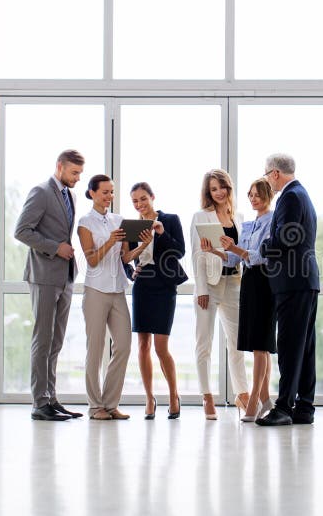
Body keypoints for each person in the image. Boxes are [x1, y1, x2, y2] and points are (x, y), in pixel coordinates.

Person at [14, 149, 85, 421]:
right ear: (60, 167)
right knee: (42, 341)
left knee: (56, 341)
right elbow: (22, 231)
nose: (78, 178)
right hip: (43, 275)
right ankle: (39, 403)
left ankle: (51, 398)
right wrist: (56, 248)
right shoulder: (41, 192)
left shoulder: (71, 196)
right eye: (74, 172)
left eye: (80, 173)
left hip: (65, 277)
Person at [77, 174, 150, 420]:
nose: (109, 196)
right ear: (92, 193)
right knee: (95, 350)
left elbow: (126, 258)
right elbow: (92, 260)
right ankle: (95, 405)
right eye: (105, 192)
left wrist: (142, 246)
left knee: (123, 345)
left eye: (112, 192)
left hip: (118, 290)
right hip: (95, 290)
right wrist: (109, 241)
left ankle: (110, 403)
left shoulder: (119, 220)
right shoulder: (85, 223)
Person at [255, 154, 320, 427]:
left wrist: (263, 247)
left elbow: (285, 238)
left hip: (293, 280)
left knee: (291, 345)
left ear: (275, 174)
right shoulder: (301, 194)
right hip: (304, 280)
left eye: (267, 175)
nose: (268, 181)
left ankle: (283, 407)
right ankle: (304, 408)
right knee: (304, 347)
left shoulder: (290, 197)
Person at [191, 169, 250, 420]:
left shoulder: (239, 217)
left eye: (222, 187)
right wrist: (202, 289)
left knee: (237, 343)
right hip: (210, 285)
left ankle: (243, 394)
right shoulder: (200, 217)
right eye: (214, 189)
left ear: (229, 188)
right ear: (208, 192)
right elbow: (197, 255)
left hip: (234, 282)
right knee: (205, 343)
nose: (219, 192)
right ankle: (207, 397)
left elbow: (242, 252)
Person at [127, 182, 187, 420]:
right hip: (143, 284)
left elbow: (179, 251)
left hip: (164, 286)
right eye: (135, 201)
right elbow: (127, 256)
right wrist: (129, 272)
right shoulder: (132, 226)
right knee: (142, 345)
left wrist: (161, 233)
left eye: (143, 199)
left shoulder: (170, 220)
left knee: (161, 347)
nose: (139, 204)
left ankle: (173, 395)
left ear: (152, 197)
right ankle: (149, 397)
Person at [220, 178, 276, 422]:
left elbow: (261, 256)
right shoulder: (248, 225)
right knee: (255, 343)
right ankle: (265, 400)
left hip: (265, 282)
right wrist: (217, 249)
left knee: (261, 345)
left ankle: (254, 400)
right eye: (250, 195)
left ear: (268, 195)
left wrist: (235, 249)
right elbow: (234, 261)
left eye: (258, 194)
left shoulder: (273, 221)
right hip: (249, 284)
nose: (253, 198)